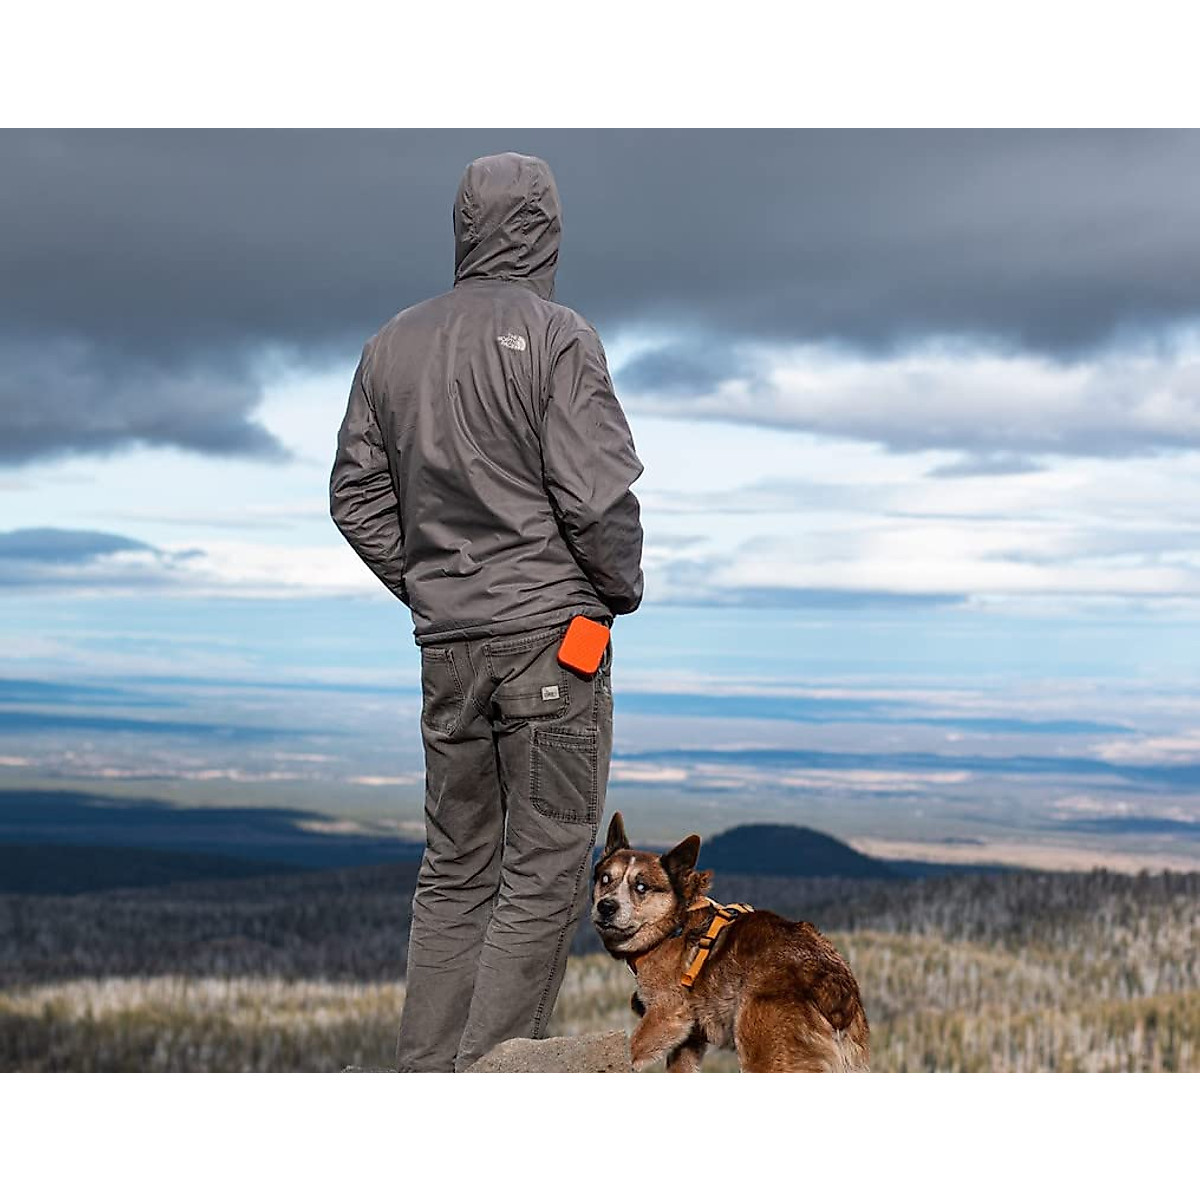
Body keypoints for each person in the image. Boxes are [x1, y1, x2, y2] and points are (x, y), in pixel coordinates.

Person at [329, 151, 644, 1072]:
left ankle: (429, 1078)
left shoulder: (390, 344)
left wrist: (433, 584)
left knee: (455, 868)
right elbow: (596, 499)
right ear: (546, 232)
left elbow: (355, 497)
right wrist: (616, 589)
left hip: (448, 648)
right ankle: (489, 1084)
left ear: (465, 229)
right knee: (545, 871)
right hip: (553, 643)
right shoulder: (558, 337)